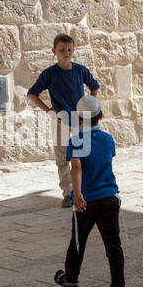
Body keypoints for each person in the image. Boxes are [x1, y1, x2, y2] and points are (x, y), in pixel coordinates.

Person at [54, 95, 127, 287]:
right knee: (113, 246)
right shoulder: (108, 139)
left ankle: (71, 279)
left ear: (79, 118)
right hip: (109, 197)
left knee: (78, 242)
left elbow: (76, 166)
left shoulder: (76, 140)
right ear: (100, 115)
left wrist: (77, 194)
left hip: (87, 200)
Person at [28, 34, 102, 207]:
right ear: (54, 51)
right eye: (62, 50)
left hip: (80, 120)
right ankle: (68, 193)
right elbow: (32, 94)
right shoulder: (49, 74)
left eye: (69, 50)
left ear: (73, 50)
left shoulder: (80, 70)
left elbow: (94, 86)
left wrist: (90, 106)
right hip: (60, 120)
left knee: (83, 154)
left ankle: (84, 189)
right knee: (63, 158)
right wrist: (48, 110)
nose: (66, 53)